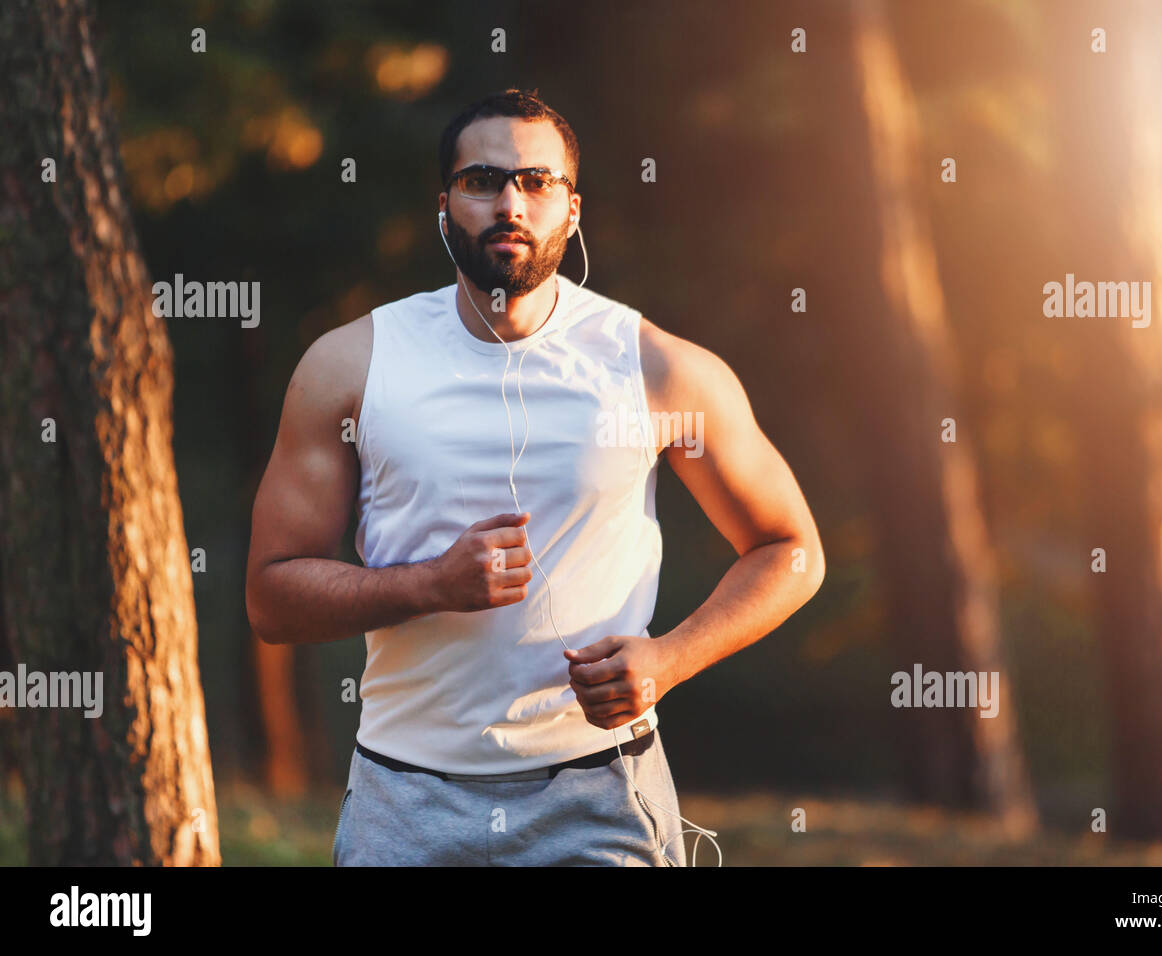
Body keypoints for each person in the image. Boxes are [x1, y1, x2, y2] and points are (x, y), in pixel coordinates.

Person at [245, 88, 825, 866]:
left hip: (599, 793)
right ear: (444, 204)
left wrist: (668, 660)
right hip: (404, 799)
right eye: (482, 181)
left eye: (536, 182)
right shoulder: (352, 365)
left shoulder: (655, 368)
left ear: (572, 209)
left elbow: (791, 550)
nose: (509, 202)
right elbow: (271, 597)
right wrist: (429, 585)